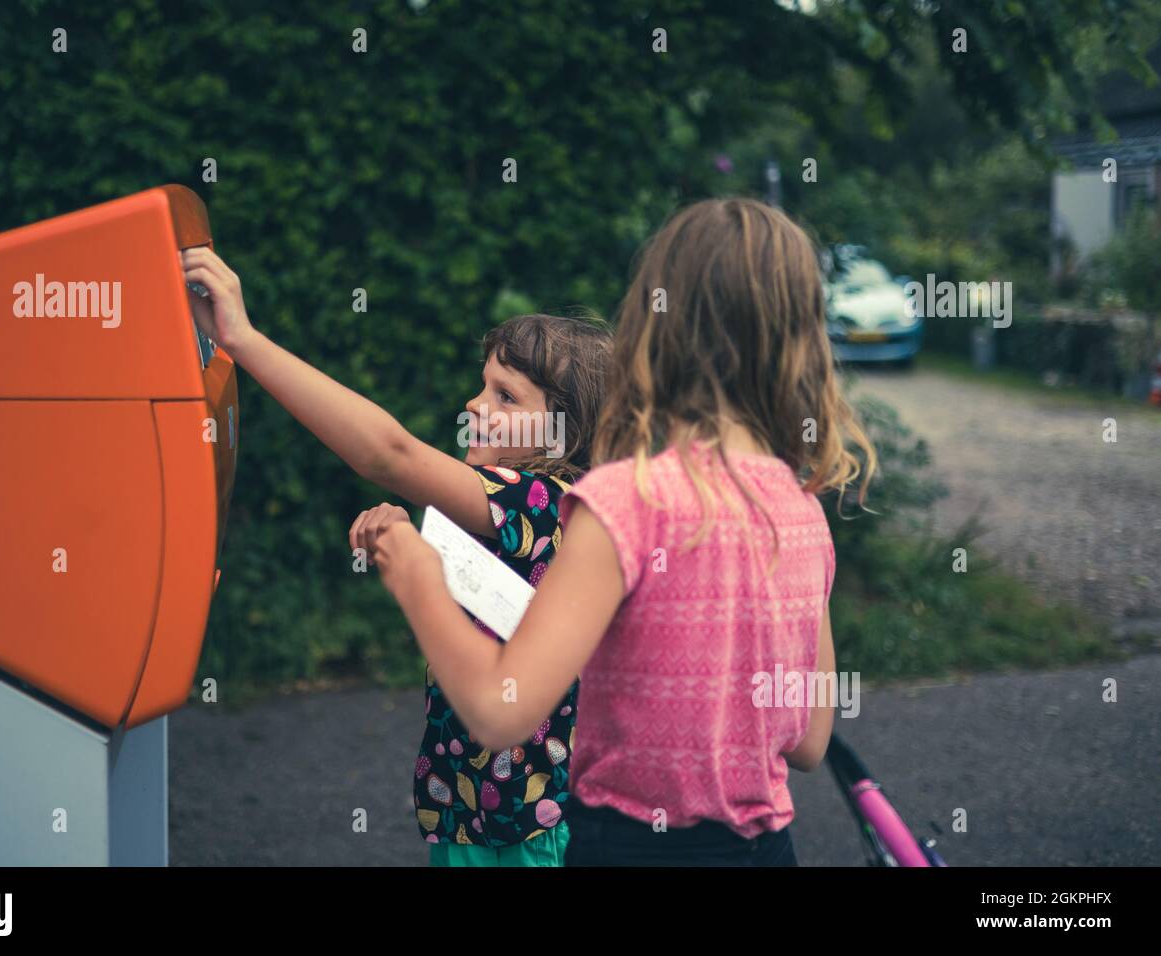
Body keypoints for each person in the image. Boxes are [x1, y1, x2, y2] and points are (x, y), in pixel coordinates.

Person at [368, 198, 877, 866]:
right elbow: (809, 742)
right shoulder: (803, 509)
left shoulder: (625, 500)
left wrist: (415, 576)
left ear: (654, 328)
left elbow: (499, 710)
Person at [179, 246, 611, 865]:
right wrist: (399, 533)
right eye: (482, 385)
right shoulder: (514, 515)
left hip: (525, 835)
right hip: (474, 821)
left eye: (506, 398)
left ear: (563, 434)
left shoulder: (551, 502)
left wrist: (241, 340)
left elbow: (390, 455)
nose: (474, 406)